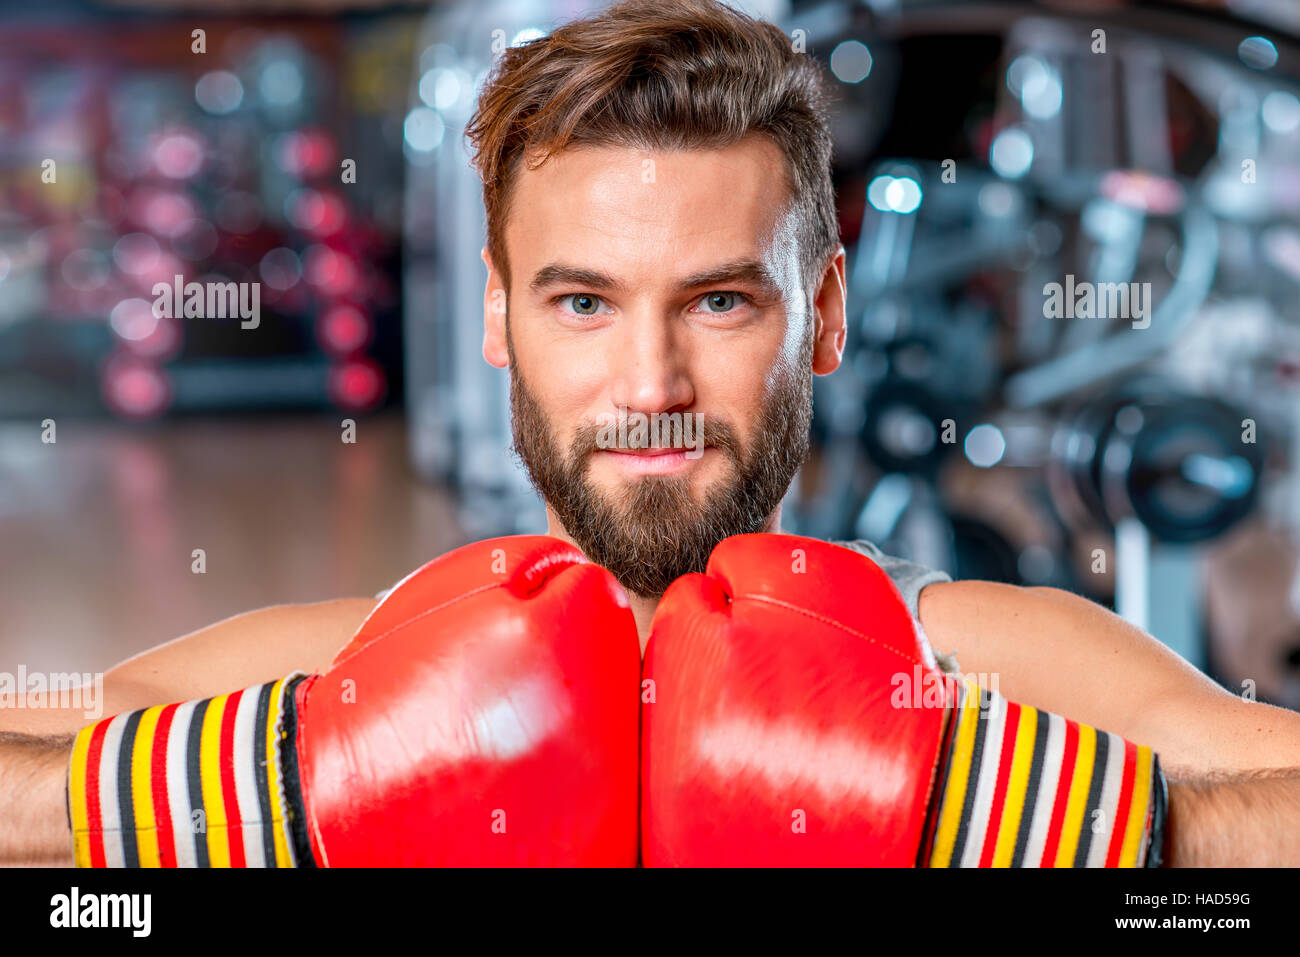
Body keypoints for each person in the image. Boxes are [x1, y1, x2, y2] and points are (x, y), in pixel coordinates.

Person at [4, 0, 1300, 866]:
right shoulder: (358, 666)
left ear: (825, 317)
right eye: (584, 301)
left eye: (720, 301)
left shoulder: (971, 662)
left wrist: (1039, 821)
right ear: (501, 322)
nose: (652, 380)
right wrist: (252, 791)